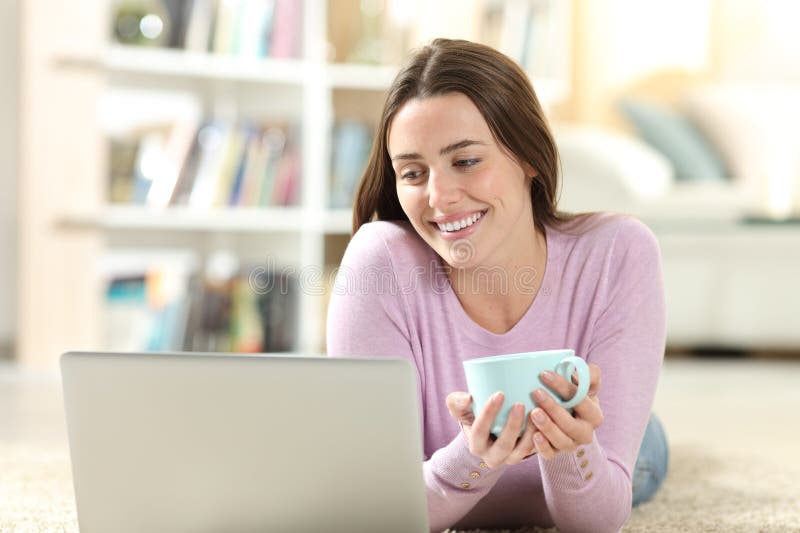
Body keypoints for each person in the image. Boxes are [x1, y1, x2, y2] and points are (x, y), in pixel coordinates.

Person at [326, 38, 668, 533]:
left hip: (615, 450)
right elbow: (376, 511)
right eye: (414, 172)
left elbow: (598, 521)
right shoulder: (378, 262)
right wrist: (473, 454)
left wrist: (570, 449)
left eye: (465, 161)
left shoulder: (618, 252)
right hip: (452, 465)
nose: (439, 198)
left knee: (644, 447)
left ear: (528, 156)